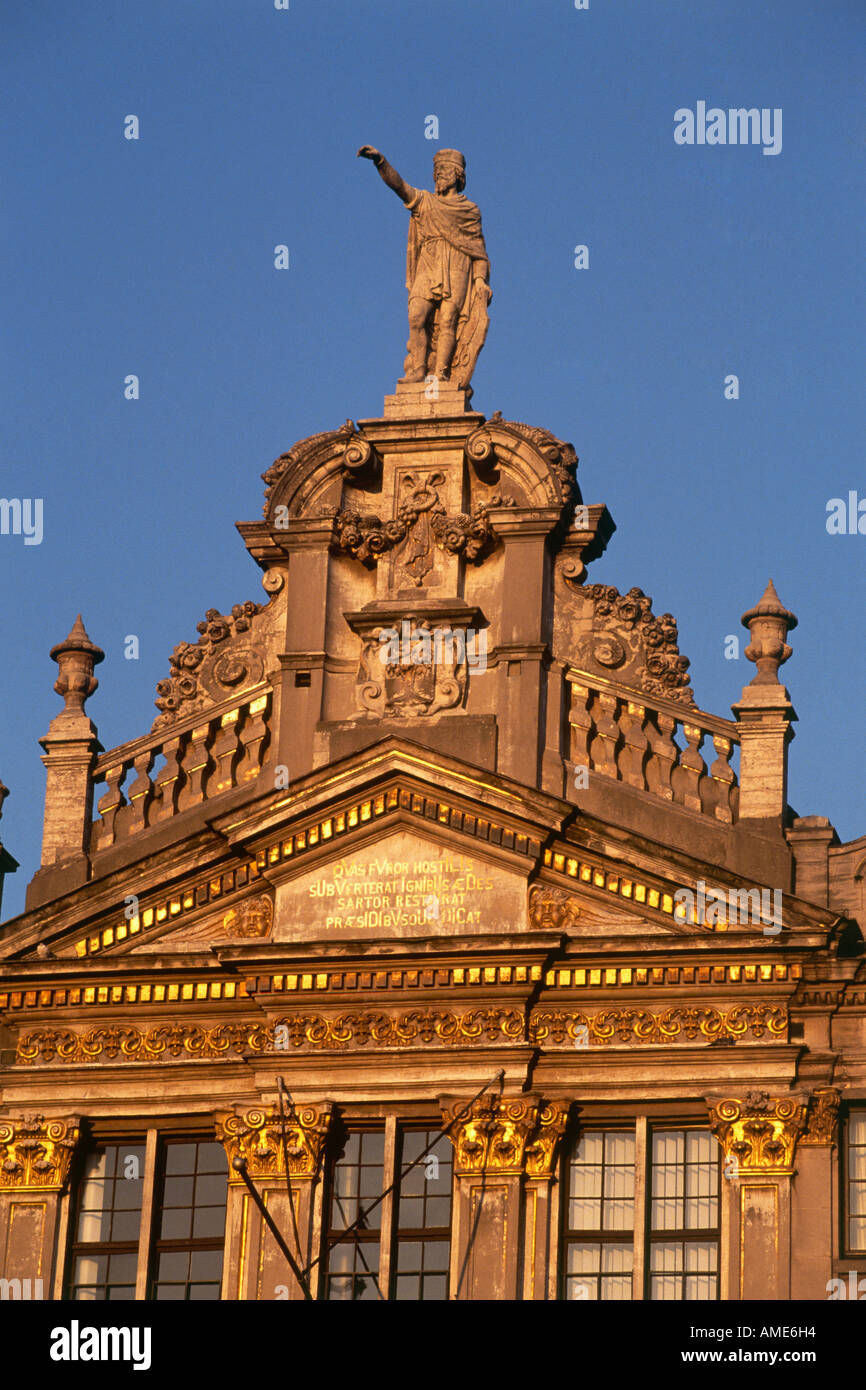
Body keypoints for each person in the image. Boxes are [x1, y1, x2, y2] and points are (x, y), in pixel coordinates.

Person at [357, 146, 491, 387]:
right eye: (436, 170)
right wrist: (380, 161)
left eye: (443, 170)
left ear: (457, 175)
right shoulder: (425, 202)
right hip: (429, 260)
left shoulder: (469, 211)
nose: (437, 175)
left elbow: (479, 252)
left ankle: (441, 374)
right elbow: (399, 186)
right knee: (417, 316)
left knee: (449, 319)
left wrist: (480, 280)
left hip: (457, 264)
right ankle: (418, 370)